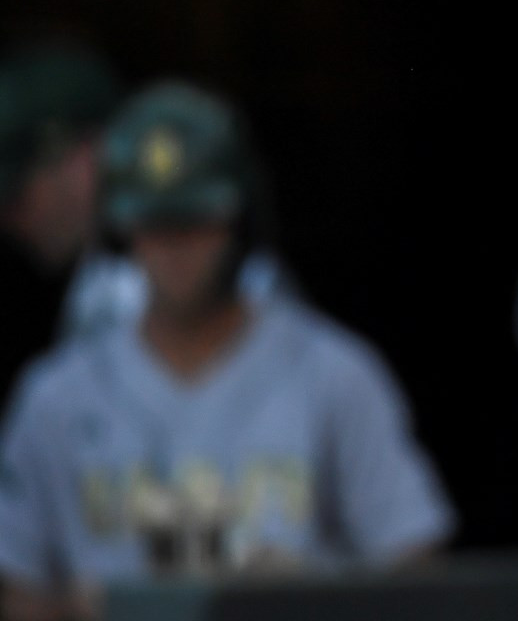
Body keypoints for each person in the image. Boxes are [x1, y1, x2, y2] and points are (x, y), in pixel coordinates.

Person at [0, 81, 454, 617]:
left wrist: (318, 596)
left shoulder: (332, 372)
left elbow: (417, 565)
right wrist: (77, 611)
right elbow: (15, 588)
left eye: (196, 222)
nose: (175, 249)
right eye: (155, 225)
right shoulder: (57, 396)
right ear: (122, 231)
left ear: (238, 221)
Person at [0, 44, 119, 408]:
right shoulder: (81, 284)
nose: (7, 218)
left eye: (17, 193)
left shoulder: (141, 291)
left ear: (86, 160)